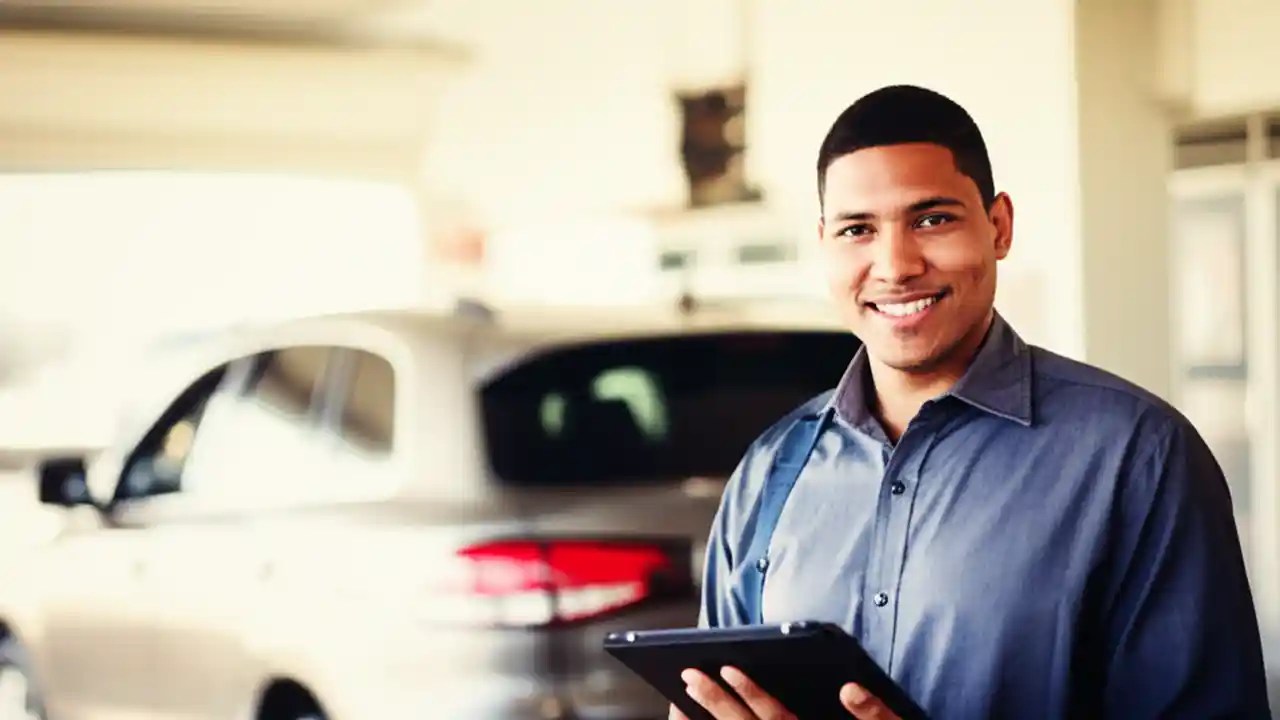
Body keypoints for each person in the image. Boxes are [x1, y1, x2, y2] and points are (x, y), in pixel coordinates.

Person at [675, 85, 1272, 719]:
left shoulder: (1137, 457)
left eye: (931, 220)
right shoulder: (770, 470)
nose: (895, 265)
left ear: (1000, 226)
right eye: (858, 230)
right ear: (825, 244)